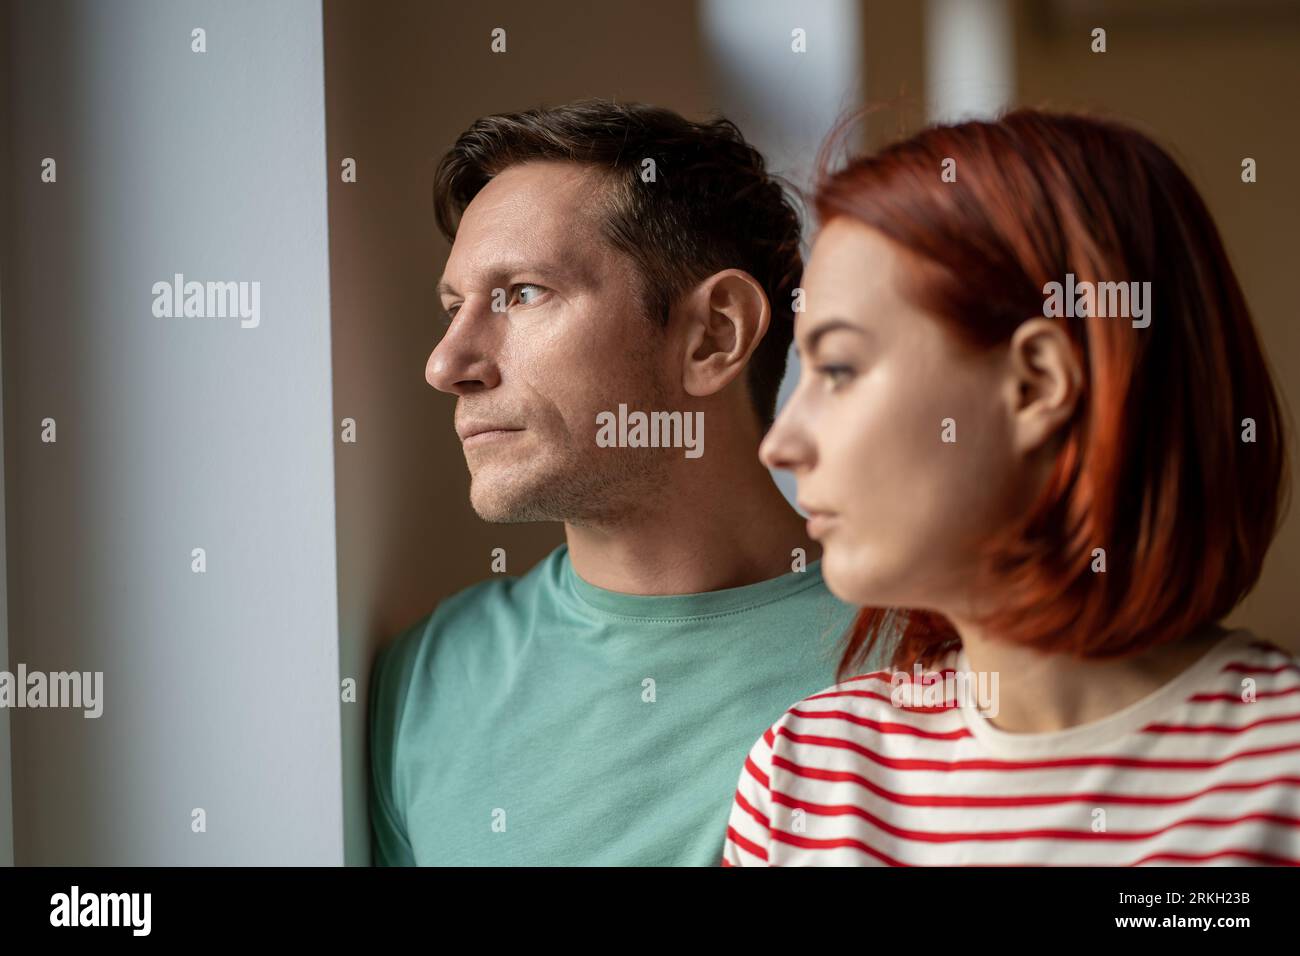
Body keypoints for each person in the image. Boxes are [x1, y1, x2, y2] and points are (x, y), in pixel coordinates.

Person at [724, 109, 1298, 866]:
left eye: (837, 370)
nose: (780, 444)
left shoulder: (1278, 777)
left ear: (1036, 382)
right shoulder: (804, 773)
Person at [370, 99, 875, 865]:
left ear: (714, 334)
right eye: (454, 307)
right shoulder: (428, 678)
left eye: (522, 294)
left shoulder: (948, 657)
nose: (447, 365)